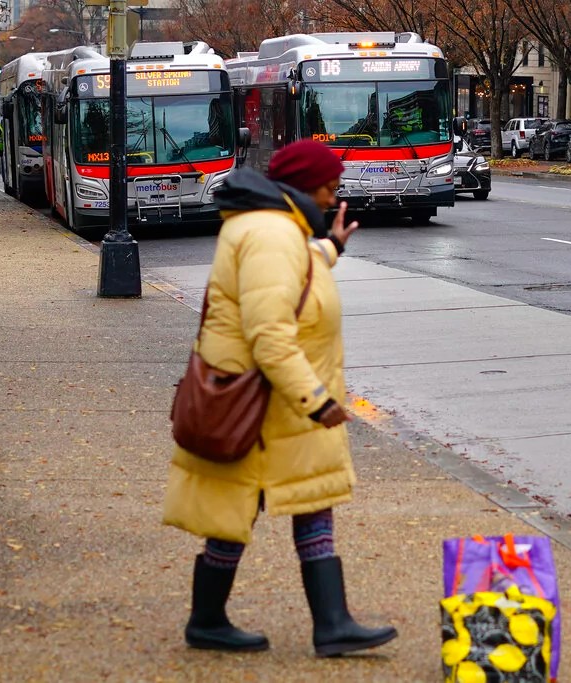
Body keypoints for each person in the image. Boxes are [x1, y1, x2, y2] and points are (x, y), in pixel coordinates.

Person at [163, 140, 397, 657]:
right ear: (305, 187)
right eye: (331, 189)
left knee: (281, 504)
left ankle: (311, 623)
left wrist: (329, 248)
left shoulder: (273, 225)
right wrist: (314, 399)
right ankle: (239, 622)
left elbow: (289, 276)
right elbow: (270, 331)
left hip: (265, 396)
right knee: (258, 507)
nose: (334, 198)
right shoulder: (271, 232)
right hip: (267, 400)